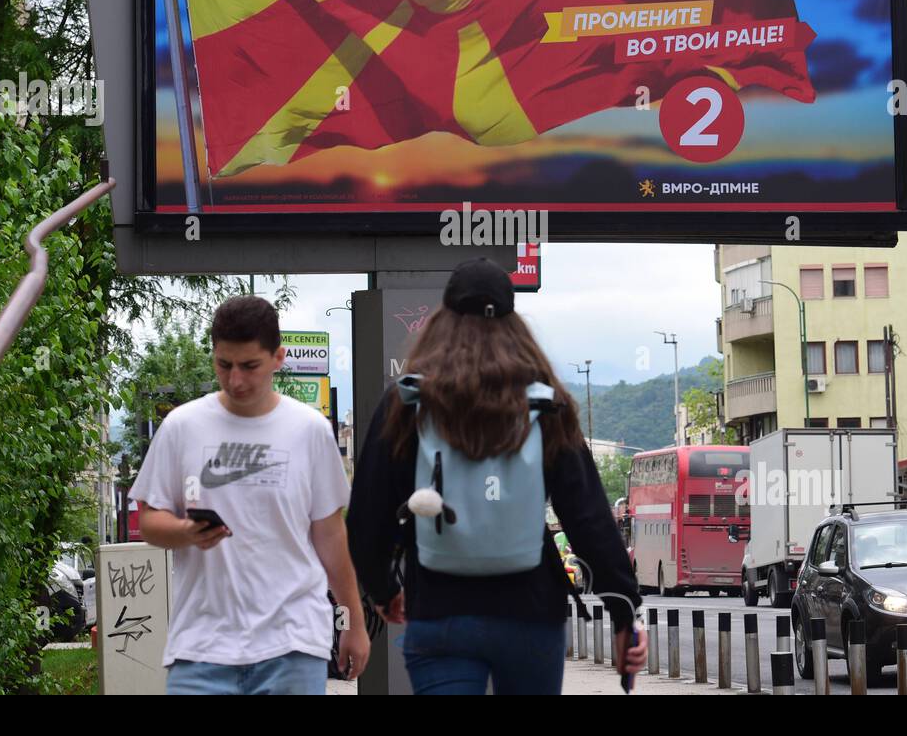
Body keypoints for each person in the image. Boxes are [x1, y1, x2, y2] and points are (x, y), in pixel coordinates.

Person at [346, 258, 647, 695]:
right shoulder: (546, 405)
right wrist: (624, 613)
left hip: (438, 613)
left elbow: (367, 517)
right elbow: (589, 520)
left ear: (442, 321)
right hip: (530, 617)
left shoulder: (407, 401)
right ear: (513, 325)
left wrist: (384, 589)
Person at [129, 295, 370, 694]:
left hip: (292, 643)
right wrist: (186, 532)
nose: (235, 380)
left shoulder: (308, 429)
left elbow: (330, 536)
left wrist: (353, 622)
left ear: (278, 357)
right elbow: (150, 520)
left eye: (249, 366)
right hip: (202, 645)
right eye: (224, 365)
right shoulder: (182, 427)